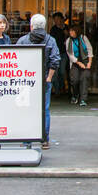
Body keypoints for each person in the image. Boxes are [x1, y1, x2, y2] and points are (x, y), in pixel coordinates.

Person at [16, 14, 61, 149]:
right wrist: (49, 77)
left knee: (27, 109)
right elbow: (55, 60)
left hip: (26, 80)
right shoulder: (50, 40)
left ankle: (27, 139)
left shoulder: (23, 40)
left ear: (31, 26)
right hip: (44, 79)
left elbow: (16, 59)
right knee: (44, 109)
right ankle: (44, 139)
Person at [65, 23, 94, 106]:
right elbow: (70, 55)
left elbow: (89, 49)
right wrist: (79, 63)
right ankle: (75, 94)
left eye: (72, 31)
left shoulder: (83, 38)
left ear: (76, 31)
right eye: (70, 31)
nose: (71, 32)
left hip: (85, 60)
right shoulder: (68, 41)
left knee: (84, 79)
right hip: (75, 62)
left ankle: (83, 99)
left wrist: (89, 62)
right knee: (75, 80)